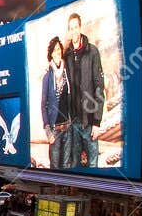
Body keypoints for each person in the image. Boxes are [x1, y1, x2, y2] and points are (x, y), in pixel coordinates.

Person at [62, 12, 105, 167]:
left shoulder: (92, 51)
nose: (73, 31)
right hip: (73, 122)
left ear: (80, 28)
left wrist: (97, 122)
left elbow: (99, 87)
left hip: (89, 120)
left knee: (93, 164)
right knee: (75, 165)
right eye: (70, 28)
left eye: (75, 27)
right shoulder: (66, 55)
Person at [41, 36, 73, 168]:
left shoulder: (67, 73)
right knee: (54, 165)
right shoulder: (47, 77)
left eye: (59, 49)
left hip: (67, 127)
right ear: (51, 54)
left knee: (66, 165)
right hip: (54, 129)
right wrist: (48, 131)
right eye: (54, 50)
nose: (57, 52)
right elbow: (43, 105)